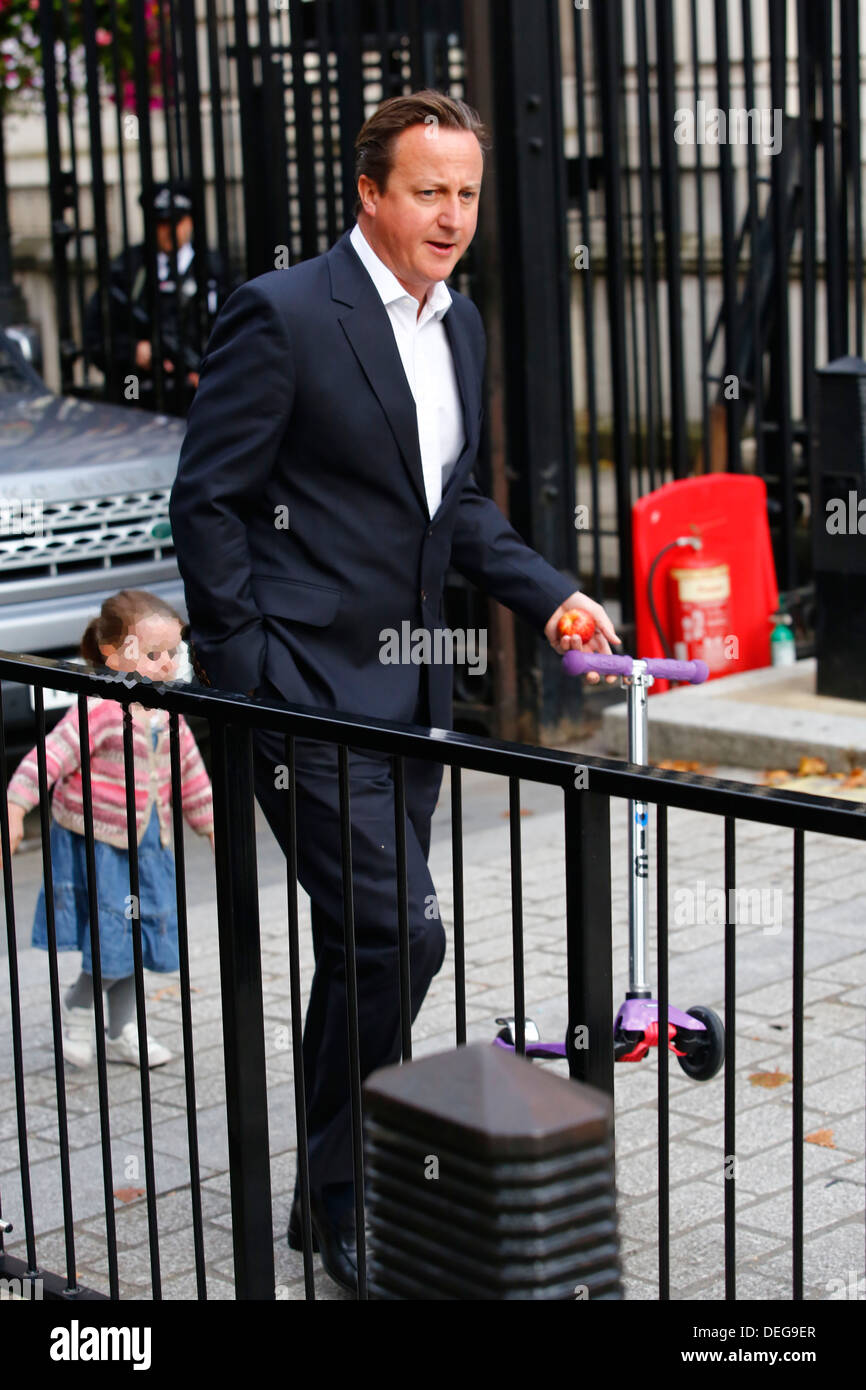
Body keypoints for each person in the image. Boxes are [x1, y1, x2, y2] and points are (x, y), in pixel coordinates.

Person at [169, 89, 621, 1294]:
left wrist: (549, 594)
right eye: (429, 189)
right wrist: (247, 675)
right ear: (368, 191)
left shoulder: (456, 324)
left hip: (408, 694)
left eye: (467, 193)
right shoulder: (281, 315)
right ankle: (349, 1189)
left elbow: (454, 505)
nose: (452, 214)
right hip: (298, 697)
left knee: (369, 949)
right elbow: (207, 500)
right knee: (395, 933)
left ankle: (334, 1181)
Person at [2, 590, 214, 1068]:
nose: (165, 664)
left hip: (147, 846)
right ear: (114, 655)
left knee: (135, 939)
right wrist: (15, 808)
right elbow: (49, 758)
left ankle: (122, 1030)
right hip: (101, 847)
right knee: (112, 939)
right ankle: (79, 1010)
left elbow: (191, 773)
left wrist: (211, 826)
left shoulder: (167, 711)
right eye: (153, 654)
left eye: (172, 653)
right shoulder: (97, 711)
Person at [83, 181, 231, 416]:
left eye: (178, 221)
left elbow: (236, 329)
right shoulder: (127, 268)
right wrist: (133, 352)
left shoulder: (215, 268)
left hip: (203, 403)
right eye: (162, 223)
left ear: (190, 221)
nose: (170, 230)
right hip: (140, 401)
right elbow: (96, 333)